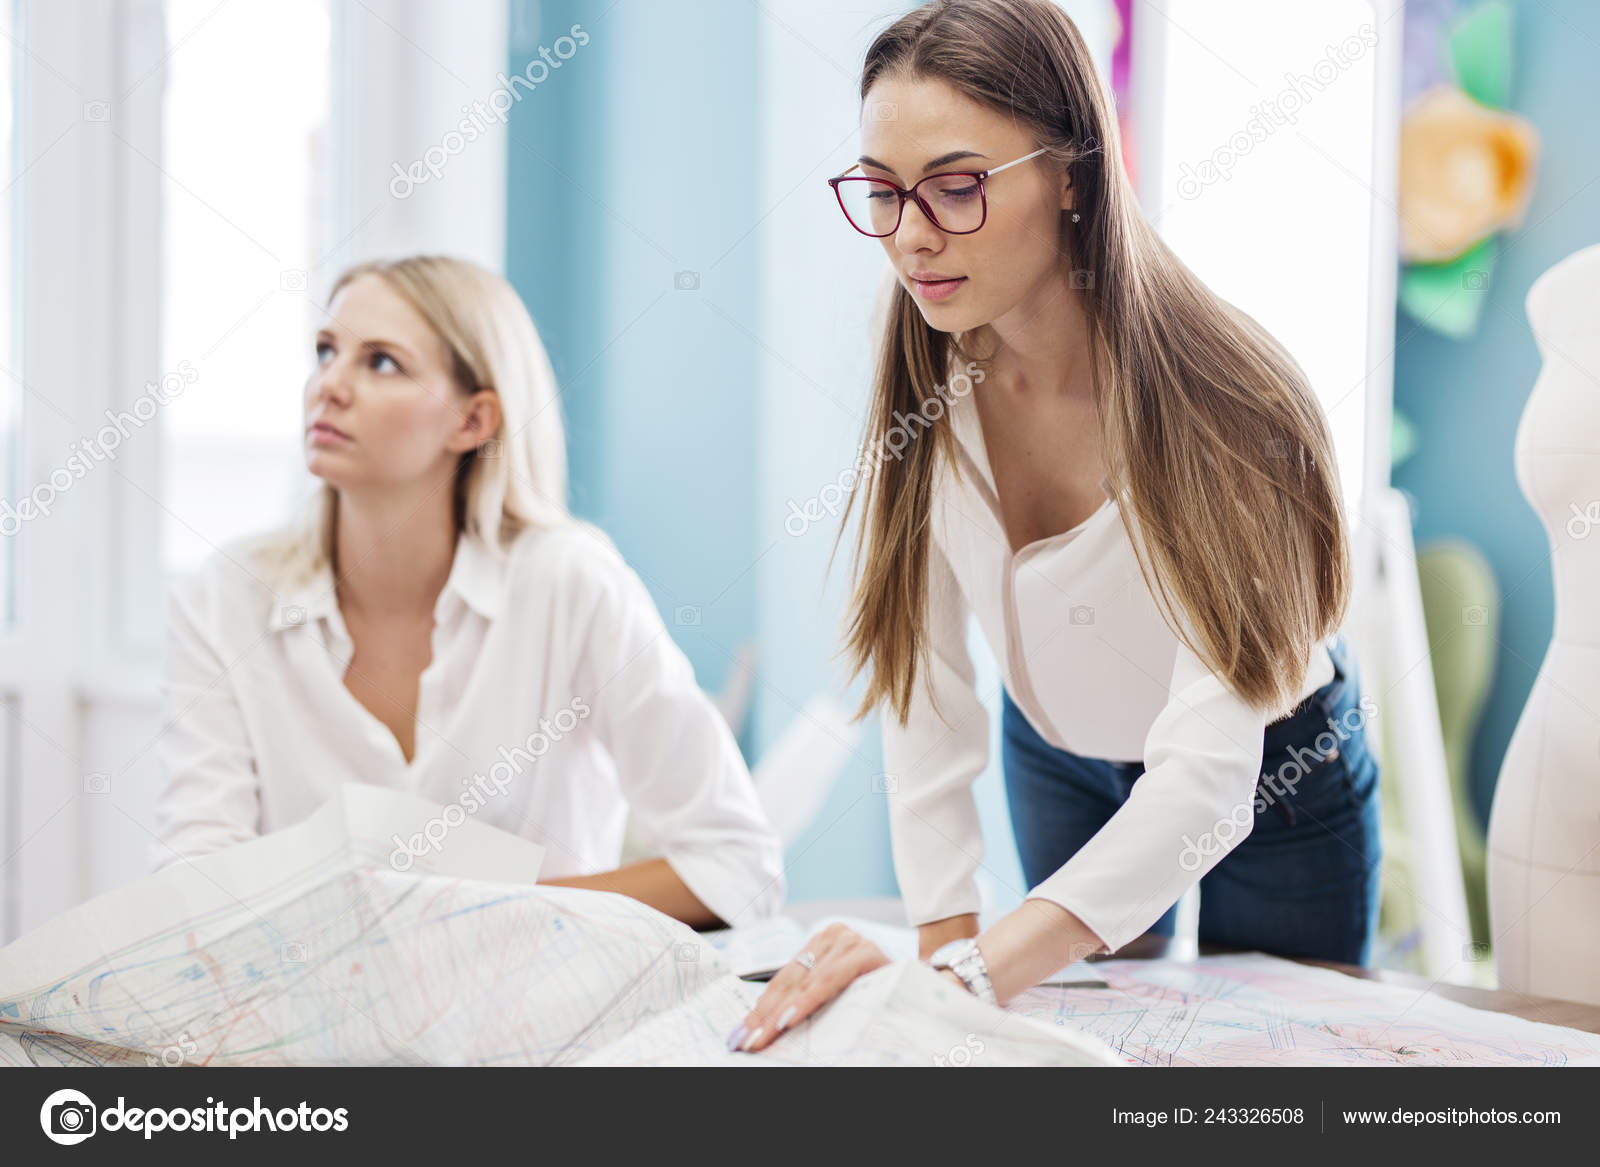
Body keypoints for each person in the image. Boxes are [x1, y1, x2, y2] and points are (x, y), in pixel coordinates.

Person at [727, 0, 1379, 1052]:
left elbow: (1206, 785)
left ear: (1073, 173)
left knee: (1282, 1075)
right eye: (884, 194)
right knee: (1087, 1065)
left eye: (954, 187)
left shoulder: (1230, 409)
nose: (910, 236)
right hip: (1063, 750)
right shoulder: (924, 372)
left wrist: (965, 971)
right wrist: (941, 988)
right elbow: (924, 698)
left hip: (1268, 769)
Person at [154, 255, 784, 930]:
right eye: (327, 351)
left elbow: (737, 866)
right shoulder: (226, 597)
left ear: (474, 420)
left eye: (382, 362)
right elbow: (196, 884)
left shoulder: (571, 585)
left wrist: (489, 916)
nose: (329, 385)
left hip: (549, 1023)